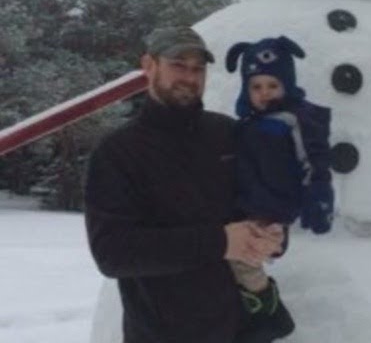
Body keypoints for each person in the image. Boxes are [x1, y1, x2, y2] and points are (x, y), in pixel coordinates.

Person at [84, 27, 284, 343]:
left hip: (239, 330)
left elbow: (263, 202)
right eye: (178, 64)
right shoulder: (118, 152)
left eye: (198, 68)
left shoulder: (230, 134)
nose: (190, 77)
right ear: (149, 66)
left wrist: (271, 233)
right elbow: (113, 253)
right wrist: (219, 241)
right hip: (160, 333)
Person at [225, 36, 335, 342]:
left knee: (244, 260)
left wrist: (319, 197)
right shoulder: (249, 123)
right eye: (256, 87)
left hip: (273, 207)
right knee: (235, 256)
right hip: (248, 204)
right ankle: (252, 306)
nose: (264, 94)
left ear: (287, 85)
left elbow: (314, 160)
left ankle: (268, 314)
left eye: (272, 86)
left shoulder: (293, 119)